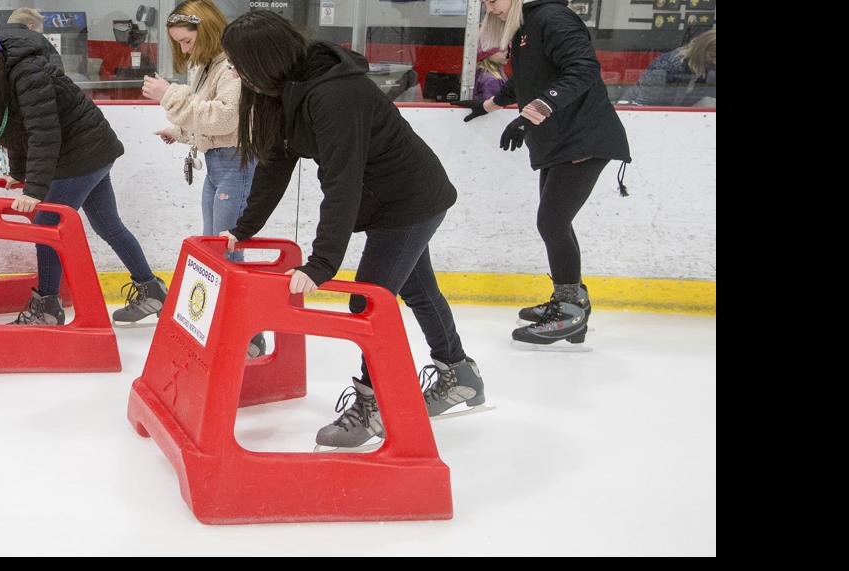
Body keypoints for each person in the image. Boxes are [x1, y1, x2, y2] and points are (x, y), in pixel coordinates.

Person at [222, 11, 486, 448]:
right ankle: (459, 374)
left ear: (264, 58)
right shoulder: (280, 89)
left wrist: (323, 262)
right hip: (384, 200)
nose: (234, 71)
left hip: (410, 199)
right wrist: (245, 228)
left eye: (237, 62)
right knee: (418, 291)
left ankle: (372, 404)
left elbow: (341, 181)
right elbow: (275, 161)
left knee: (370, 300)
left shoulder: (334, 95)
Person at [0, 17, 168, 326]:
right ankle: (151, 289)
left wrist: (34, 190)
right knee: (108, 226)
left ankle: (47, 309)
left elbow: (43, 133)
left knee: (47, 229)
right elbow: (18, 127)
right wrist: (20, 172)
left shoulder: (27, 73)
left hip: (80, 153)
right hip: (92, 150)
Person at [470, 0, 630, 347]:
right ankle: (571, 303)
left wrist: (532, 114)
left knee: (552, 223)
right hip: (561, 142)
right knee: (556, 223)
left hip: (584, 138)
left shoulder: (552, 18)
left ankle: (570, 309)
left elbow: (584, 69)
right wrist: (487, 106)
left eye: (493, 0)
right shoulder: (525, 27)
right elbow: (526, 80)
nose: (489, 7)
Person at [143, 1, 266, 357]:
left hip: (236, 165)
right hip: (218, 164)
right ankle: (224, 328)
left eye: (186, 41)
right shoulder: (208, 66)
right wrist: (180, 131)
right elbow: (206, 116)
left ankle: (249, 337)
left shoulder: (231, 67)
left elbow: (227, 118)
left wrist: (169, 95)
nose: (184, 49)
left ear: (207, 30)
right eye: (178, 43)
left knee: (227, 255)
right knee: (214, 252)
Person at [625, 28, 715, 107]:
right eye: (712, 56)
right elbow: (643, 104)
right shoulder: (666, 66)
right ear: (700, 49)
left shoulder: (704, 67)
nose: (715, 61)